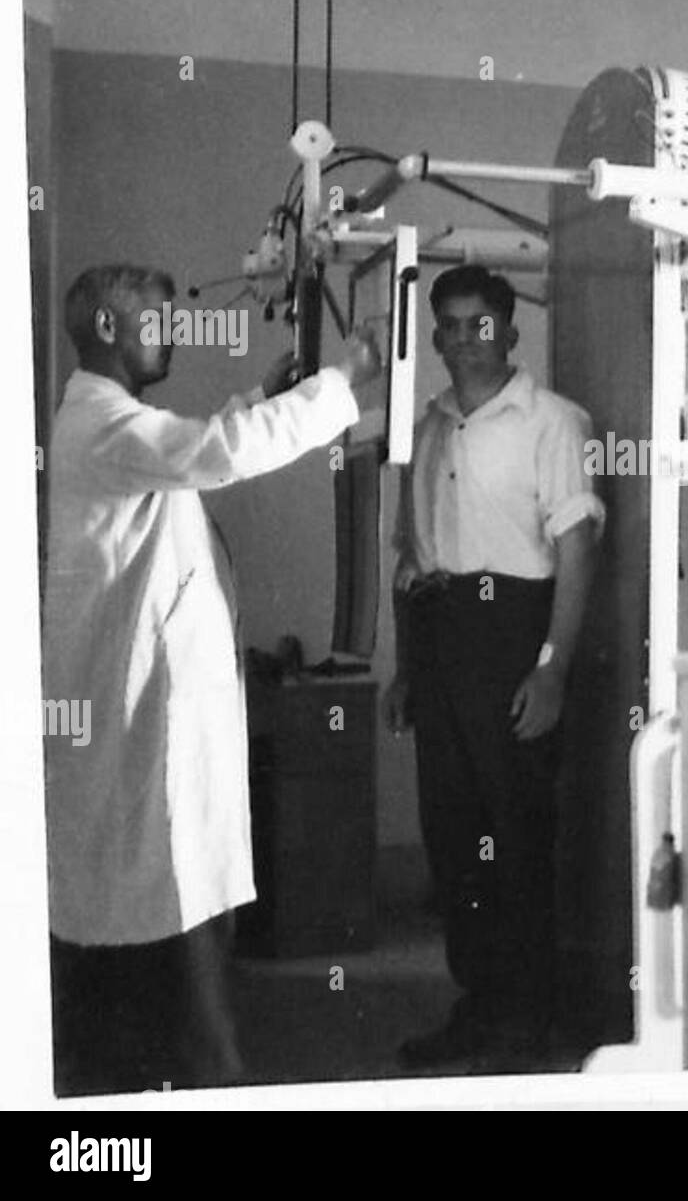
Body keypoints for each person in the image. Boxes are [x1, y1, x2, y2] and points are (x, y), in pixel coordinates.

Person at [42, 262, 382, 1093]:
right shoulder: (101, 424)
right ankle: (195, 1074)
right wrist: (342, 380)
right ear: (112, 331)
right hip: (139, 711)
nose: (171, 334)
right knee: (166, 894)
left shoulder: (116, 424)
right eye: (157, 321)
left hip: (153, 706)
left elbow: (193, 450)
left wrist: (265, 392)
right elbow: (214, 454)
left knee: (167, 887)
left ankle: (172, 1065)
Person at [387, 264, 603, 1065]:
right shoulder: (430, 424)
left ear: (510, 331)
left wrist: (550, 670)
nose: (461, 341)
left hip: (514, 635)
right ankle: (479, 1004)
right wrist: (409, 668)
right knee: (453, 834)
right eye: (447, 326)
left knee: (516, 834)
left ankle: (529, 1018)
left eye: (478, 324)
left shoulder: (553, 422)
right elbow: (411, 553)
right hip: (442, 638)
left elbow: (576, 556)